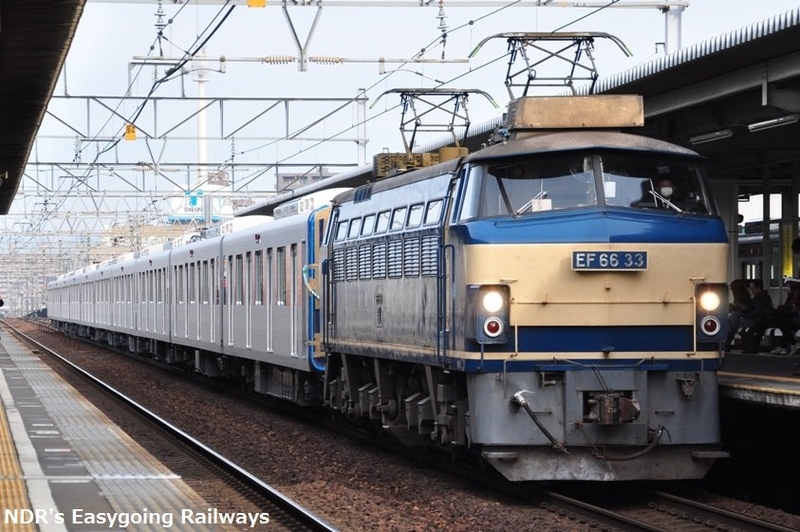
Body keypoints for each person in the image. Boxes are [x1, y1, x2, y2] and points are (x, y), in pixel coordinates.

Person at [737, 279, 774, 354]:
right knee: (757, 330)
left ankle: (751, 347)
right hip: (762, 319)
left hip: (763, 319)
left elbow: (758, 310)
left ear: (758, 288)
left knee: (753, 329)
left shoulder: (761, 298)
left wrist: (745, 315)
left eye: (753, 288)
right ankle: (752, 347)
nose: (751, 290)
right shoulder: (761, 297)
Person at [768, 280, 800, 355]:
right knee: (782, 323)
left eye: (788, 287)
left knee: (783, 323)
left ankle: (789, 345)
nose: (786, 289)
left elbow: (793, 312)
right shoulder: (791, 297)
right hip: (792, 319)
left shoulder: (796, 299)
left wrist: (779, 309)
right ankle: (788, 345)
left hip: (796, 320)